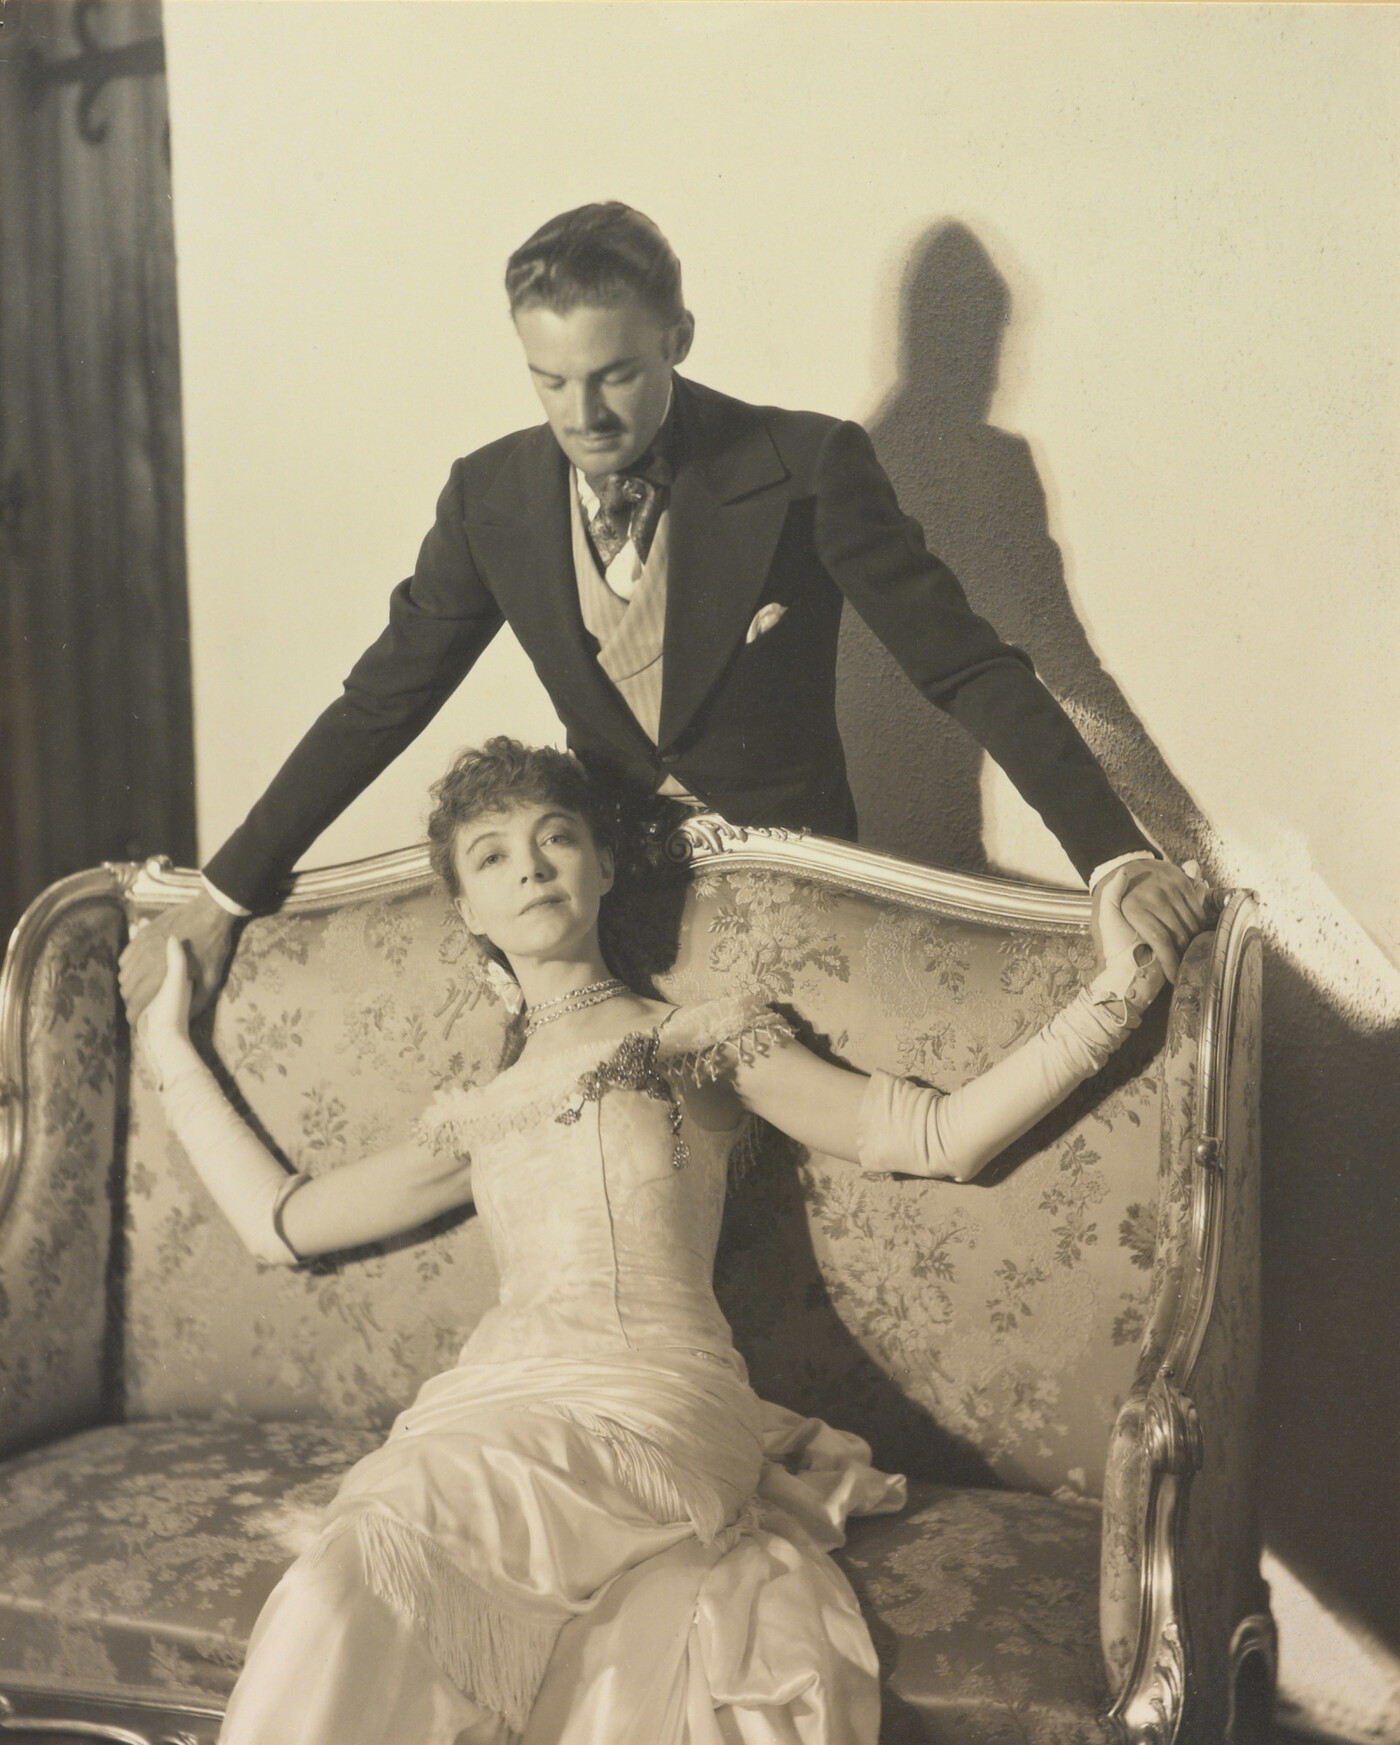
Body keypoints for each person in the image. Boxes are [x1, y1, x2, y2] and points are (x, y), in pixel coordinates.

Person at [137, 737, 1181, 1745]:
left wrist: (1117, 989)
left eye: (554, 837)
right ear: (467, 911)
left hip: (652, 1405)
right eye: (492, 856)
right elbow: (280, 1221)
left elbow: (931, 1134)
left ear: (600, 862)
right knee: (355, 1564)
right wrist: (169, 1044)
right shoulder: (475, 1112)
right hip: (488, 1408)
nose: (530, 866)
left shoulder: (694, 1038)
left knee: (383, 1524)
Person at [119, 201, 1209, 1027]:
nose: (581, 416)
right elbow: (381, 700)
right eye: (548, 381)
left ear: (679, 337)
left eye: (614, 376)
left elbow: (969, 668)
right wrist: (225, 887)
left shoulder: (807, 465)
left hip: (796, 895)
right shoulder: (489, 495)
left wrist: (1115, 854)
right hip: (602, 909)